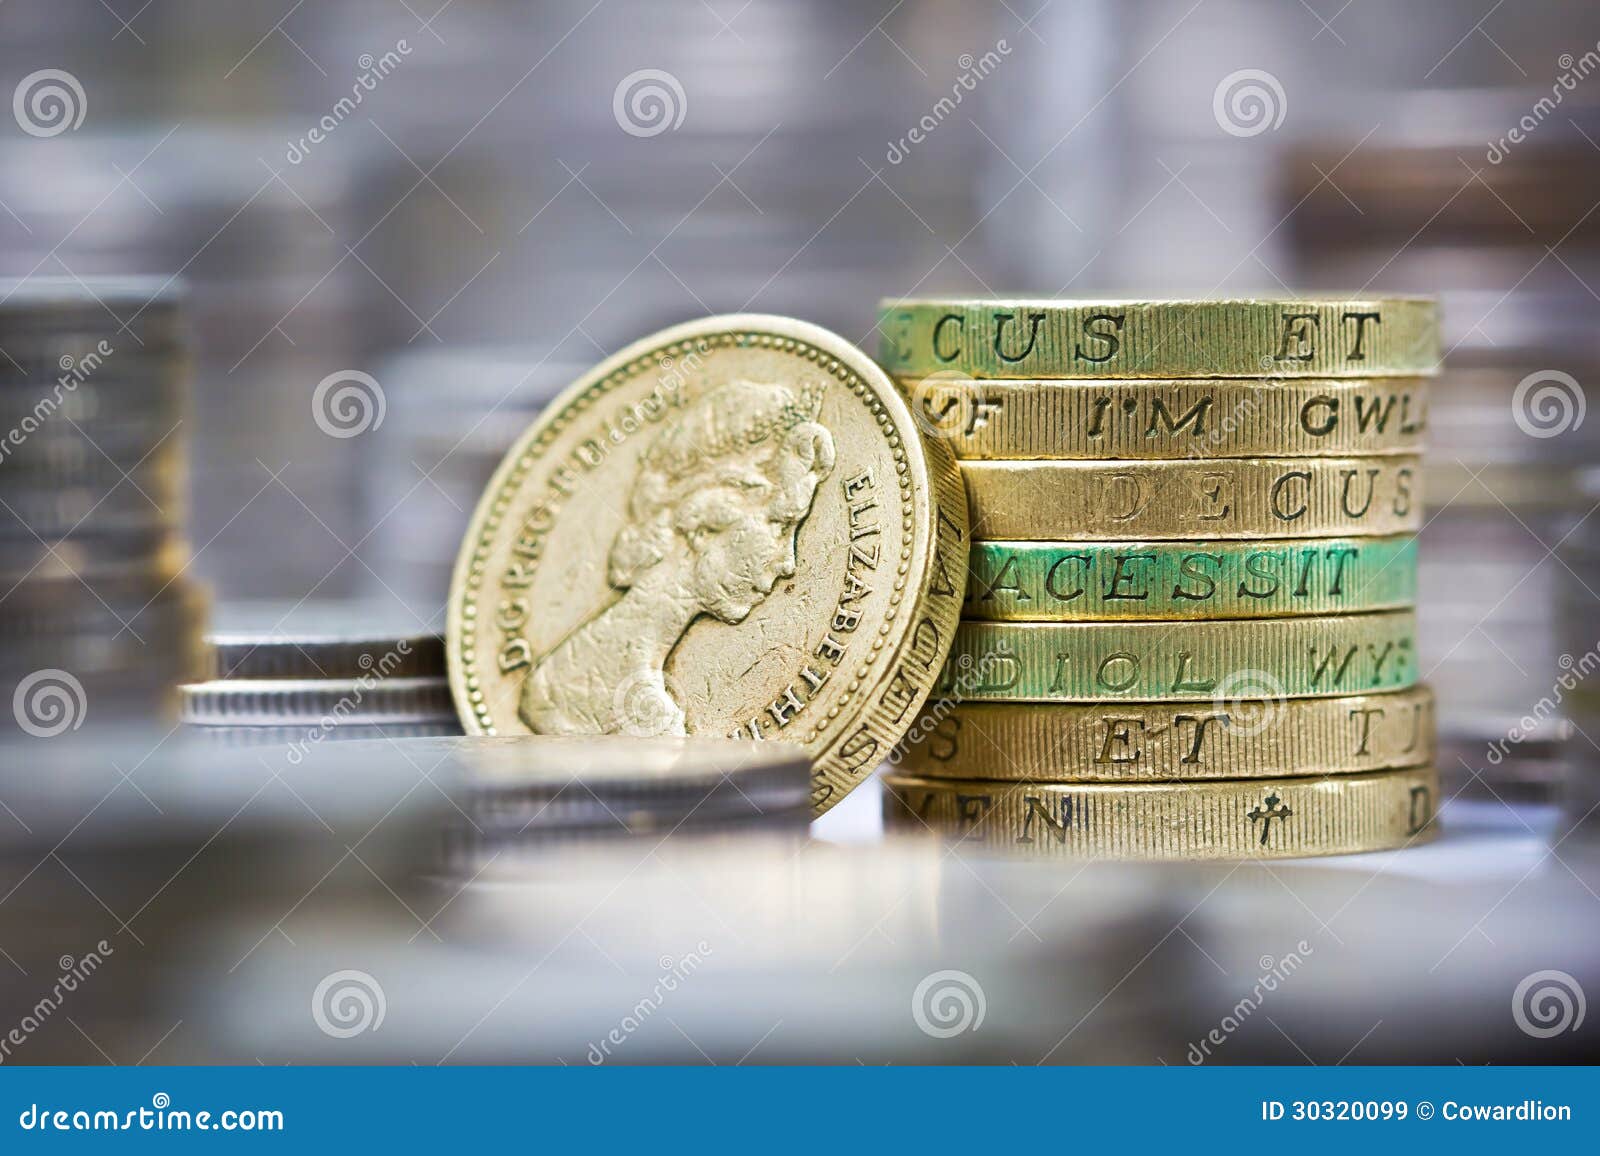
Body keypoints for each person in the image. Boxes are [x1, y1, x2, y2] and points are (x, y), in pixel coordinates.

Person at [521, 379, 836, 735]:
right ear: (703, 521)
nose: (788, 562)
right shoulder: (649, 723)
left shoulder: (553, 677)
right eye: (779, 526)